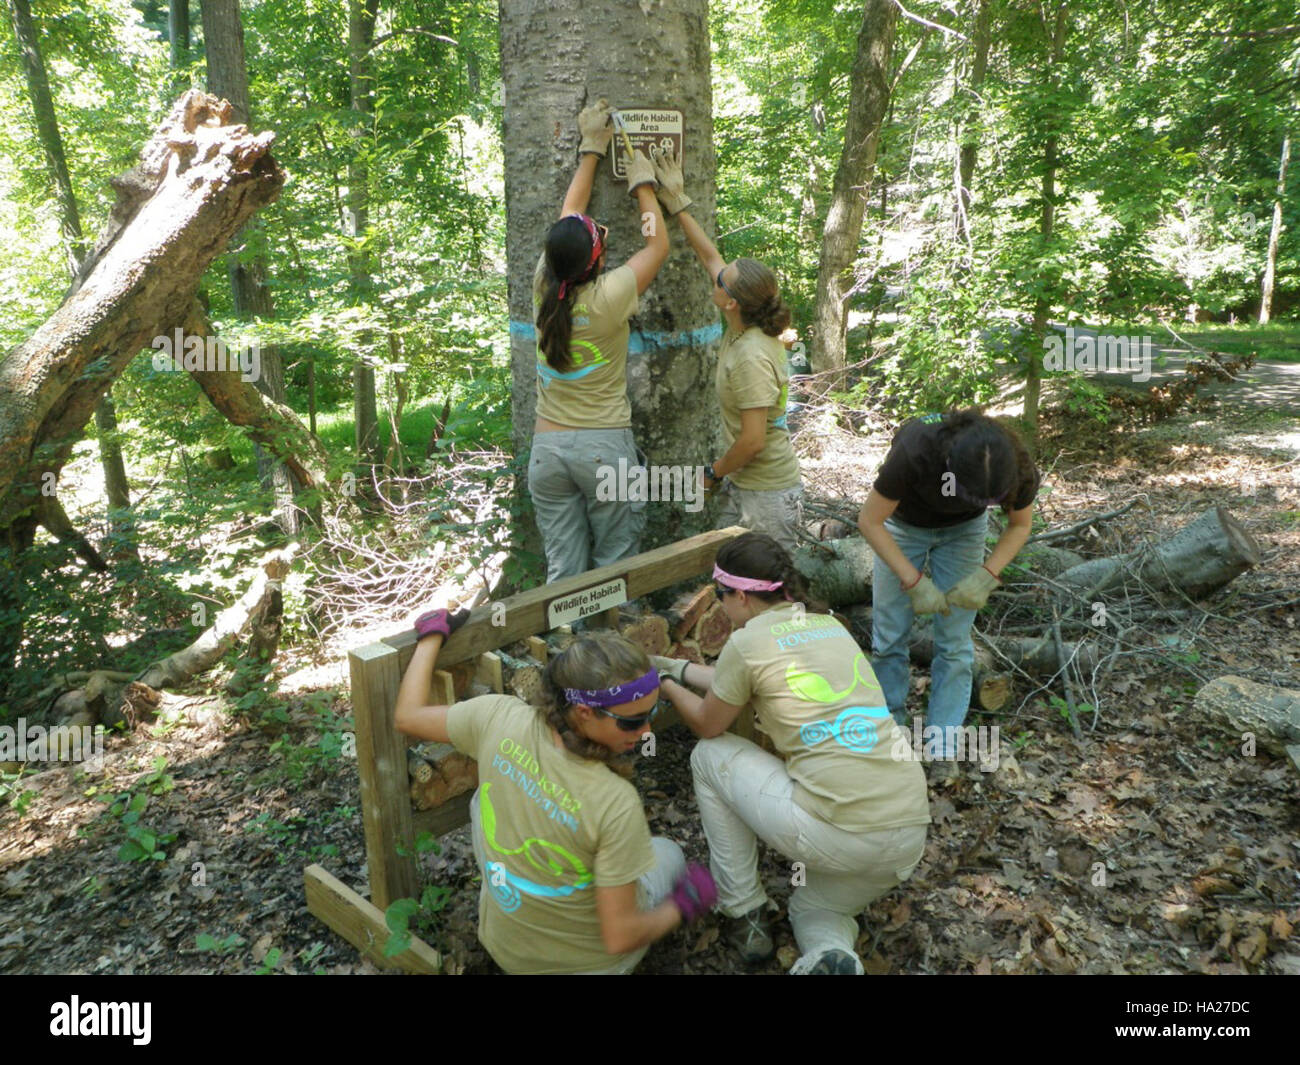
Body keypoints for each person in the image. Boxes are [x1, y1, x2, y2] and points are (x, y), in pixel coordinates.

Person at [653, 533, 930, 975]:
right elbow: (734, 682)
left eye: (722, 598)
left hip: (837, 832)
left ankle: (743, 912)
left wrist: (665, 684)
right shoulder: (830, 626)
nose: (722, 609)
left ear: (740, 595)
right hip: (906, 834)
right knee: (814, 910)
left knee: (708, 756)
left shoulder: (747, 643)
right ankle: (831, 957)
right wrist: (680, 668)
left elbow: (709, 722)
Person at [394, 609, 717, 975]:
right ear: (583, 713)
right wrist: (685, 904)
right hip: (588, 967)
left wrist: (431, 636)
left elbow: (408, 716)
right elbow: (620, 937)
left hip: (505, 948)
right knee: (669, 854)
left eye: (652, 711)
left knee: (483, 800)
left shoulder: (496, 716)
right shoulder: (614, 802)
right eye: (631, 720)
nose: (645, 732)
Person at [528, 99, 669, 583]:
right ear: (596, 259)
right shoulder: (610, 296)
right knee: (614, 565)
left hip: (547, 452)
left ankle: (563, 646)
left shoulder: (545, 283)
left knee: (562, 570)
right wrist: (643, 184)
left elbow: (570, 217)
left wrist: (591, 146)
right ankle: (609, 652)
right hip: (602, 448)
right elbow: (658, 246)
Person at [857, 410, 1040, 771]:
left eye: (990, 500)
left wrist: (987, 576)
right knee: (889, 635)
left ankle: (941, 744)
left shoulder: (1017, 465)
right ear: (949, 471)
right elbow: (870, 520)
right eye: (972, 495)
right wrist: (913, 580)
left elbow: (1019, 526)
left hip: (965, 534)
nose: (981, 503)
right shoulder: (916, 448)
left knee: (955, 642)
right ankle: (890, 732)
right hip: (903, 526)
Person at [648, 145, 804, 553]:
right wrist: (678, 202)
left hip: (767, 493)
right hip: (746, 483)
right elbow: (709, 256)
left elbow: (753, 441)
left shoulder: (751, 355)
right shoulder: (743, 322)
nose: (715, 277)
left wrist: (712, 474)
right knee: (727, 573)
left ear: (731, 301)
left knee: (770, 590)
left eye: (722, 281)